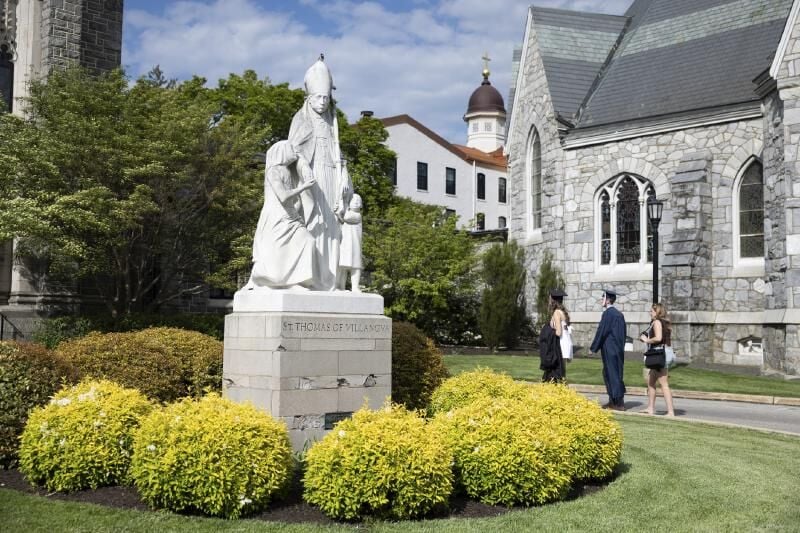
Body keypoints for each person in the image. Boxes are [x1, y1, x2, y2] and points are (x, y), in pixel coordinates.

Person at [289, 55, 352, 291]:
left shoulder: (331, 122)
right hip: (311, 178)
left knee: (332, 228)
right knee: (312, 224)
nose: (323, 102)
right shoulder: (301, 119)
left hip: (331, 177)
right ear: (310, 97)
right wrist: (303, 169)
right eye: (319, 97)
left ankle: (330, 279)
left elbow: (338, 154)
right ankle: (308, 277)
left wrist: (344, 175)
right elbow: (292, 152)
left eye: (326, 97)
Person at [246, 141, 317, 289]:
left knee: (308, 240)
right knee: (276, 251)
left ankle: (296, 279)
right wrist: (303, 187)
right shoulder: (273, 171)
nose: (295, 152)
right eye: (292, 149)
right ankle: (269, 280)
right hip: (276, 216)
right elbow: (283, 196)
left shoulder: (287, 171)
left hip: (290, 216)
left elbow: (291, 200)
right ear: (282, 152)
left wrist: (296, 209)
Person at [590, 289, 627, 410]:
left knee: (610, 374)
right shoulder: (619, 314)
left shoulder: (608, 314)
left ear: (608, 299)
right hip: (618, 349)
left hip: (609, 348)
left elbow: (602, 331)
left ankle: (617, 403)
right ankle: (615, 400)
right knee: (616, 373)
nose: (602, 299)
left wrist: (594, 347)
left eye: (603, 297)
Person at [639, 303, 676, 416]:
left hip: (659, 355)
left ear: (657, 312)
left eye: (651, 311)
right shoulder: (666, 323)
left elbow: (658, 338)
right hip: (664, 353)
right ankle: (650, 408)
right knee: (650, 381)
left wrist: (646, 340)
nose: (650, 313)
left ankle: (670, 412)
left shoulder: (657, 322)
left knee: (664, 384)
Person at [337, 192, 363, 292]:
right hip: (345, 244)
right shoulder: (348, 213)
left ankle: (355, 286)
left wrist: (343, 206)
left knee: (355, 266)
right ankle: (341, 286)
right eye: (354, 200)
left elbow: (346, 217)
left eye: (358, 201)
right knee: (343, 266)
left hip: (355, 245)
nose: (356, 202)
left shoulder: (357, 215)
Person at [543, 288, 570, 381]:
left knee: (556, 373)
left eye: (550, 298)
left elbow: (558, 332)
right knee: (561, 373)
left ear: (553, 300)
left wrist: (548, 332)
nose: (549, 300)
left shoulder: (556, 313)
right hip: (564, 344)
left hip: (558, 346)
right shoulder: (563, 312)